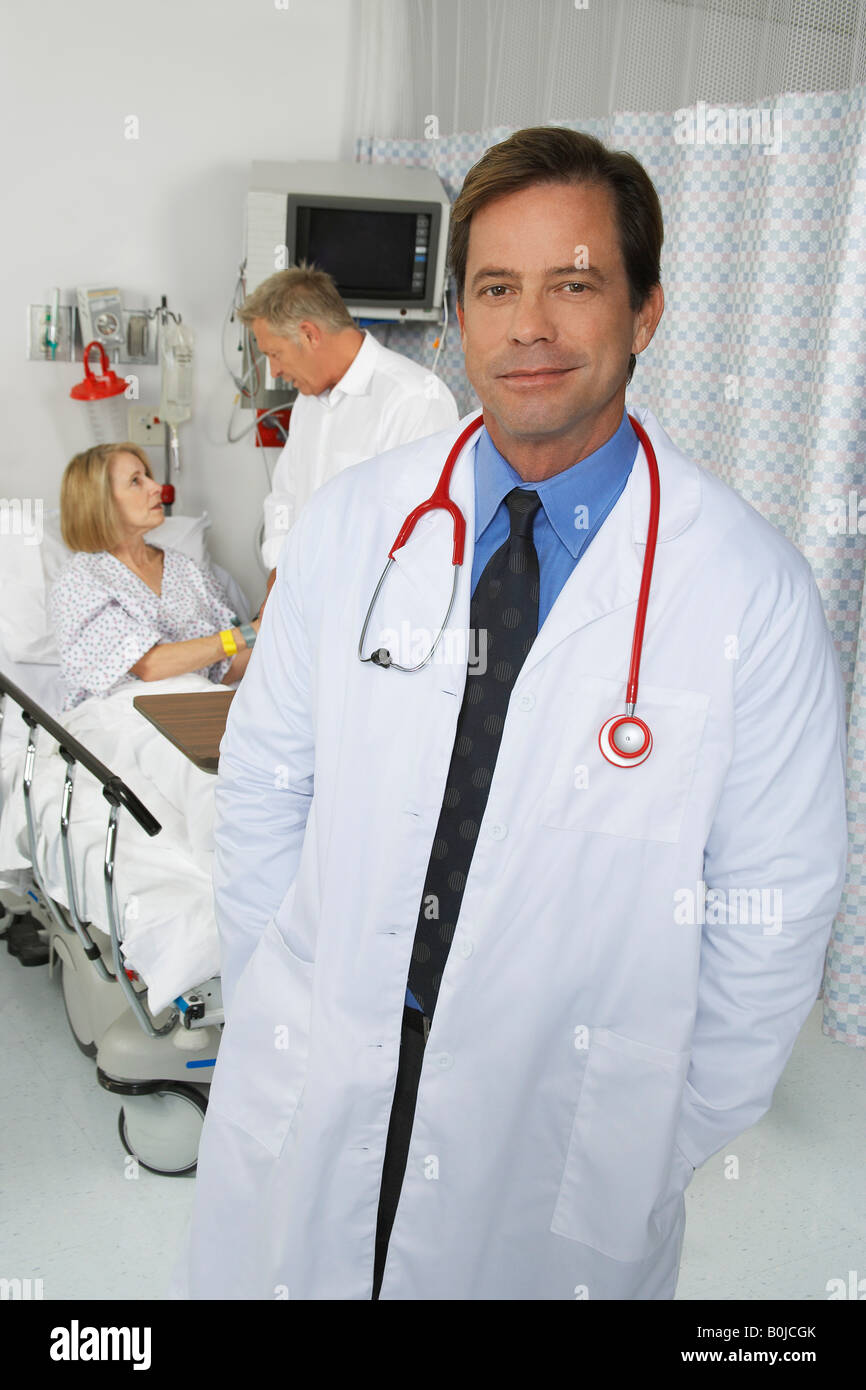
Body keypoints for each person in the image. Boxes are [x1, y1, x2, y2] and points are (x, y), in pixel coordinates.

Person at [171, 127, 848, 1300]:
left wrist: (636, 1126)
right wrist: (297, 998)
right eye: (495, 288)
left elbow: (771, 914)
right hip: (323, 1065)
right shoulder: (354, 527)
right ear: (458, 318)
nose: (528, 325)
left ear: (641, 314)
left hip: (560, 1123)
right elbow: (269, 786)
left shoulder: (747, 590)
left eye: (573, 283)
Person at [238, 264, 459, 596]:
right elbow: (284, 496)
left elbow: (423, 533)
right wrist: (278, 569)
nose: (275, 370)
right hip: (304, 598)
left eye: (275, 354)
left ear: (309, 334)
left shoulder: (413, 399)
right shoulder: (307, 403)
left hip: (371, 609)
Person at [49, 443, 260, 710]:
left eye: (147, 476)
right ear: (99, 501)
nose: (156, 487)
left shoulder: (185, 568)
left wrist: (277, 628)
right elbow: (151, 666)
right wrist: (248, 634)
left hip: (199, 705)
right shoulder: (80, 581)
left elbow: (223, 668)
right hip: (122, 717)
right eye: (136, 481)